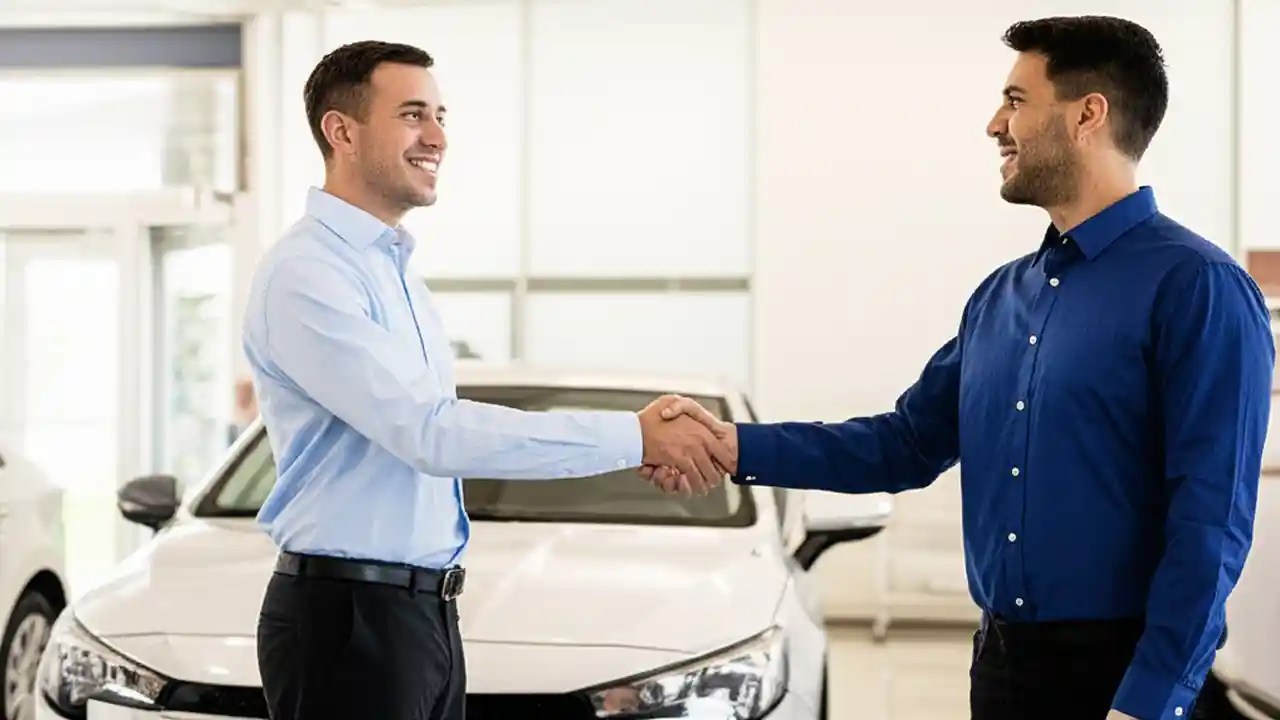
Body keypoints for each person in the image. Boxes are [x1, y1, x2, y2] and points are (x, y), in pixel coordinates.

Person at [649, 15, 1274, 720]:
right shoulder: (1001, 297)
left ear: (1087, 115)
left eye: (1015, 100)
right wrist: (730, 446)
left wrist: (1151, 701)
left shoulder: (1198, 287)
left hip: (1124, 678)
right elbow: (901, 444)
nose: (993, 125)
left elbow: (1211, 520)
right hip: (1003, 670)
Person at [241, 40, 732, 720]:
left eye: (441, 116)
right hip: (349, 621)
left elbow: (443, 427)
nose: (438, 137)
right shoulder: (308, 274)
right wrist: (634, 438)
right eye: (414, 115)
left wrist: (640, 444)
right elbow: (431, 434)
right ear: (341, 131)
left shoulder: (394, 270)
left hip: (420, 614)